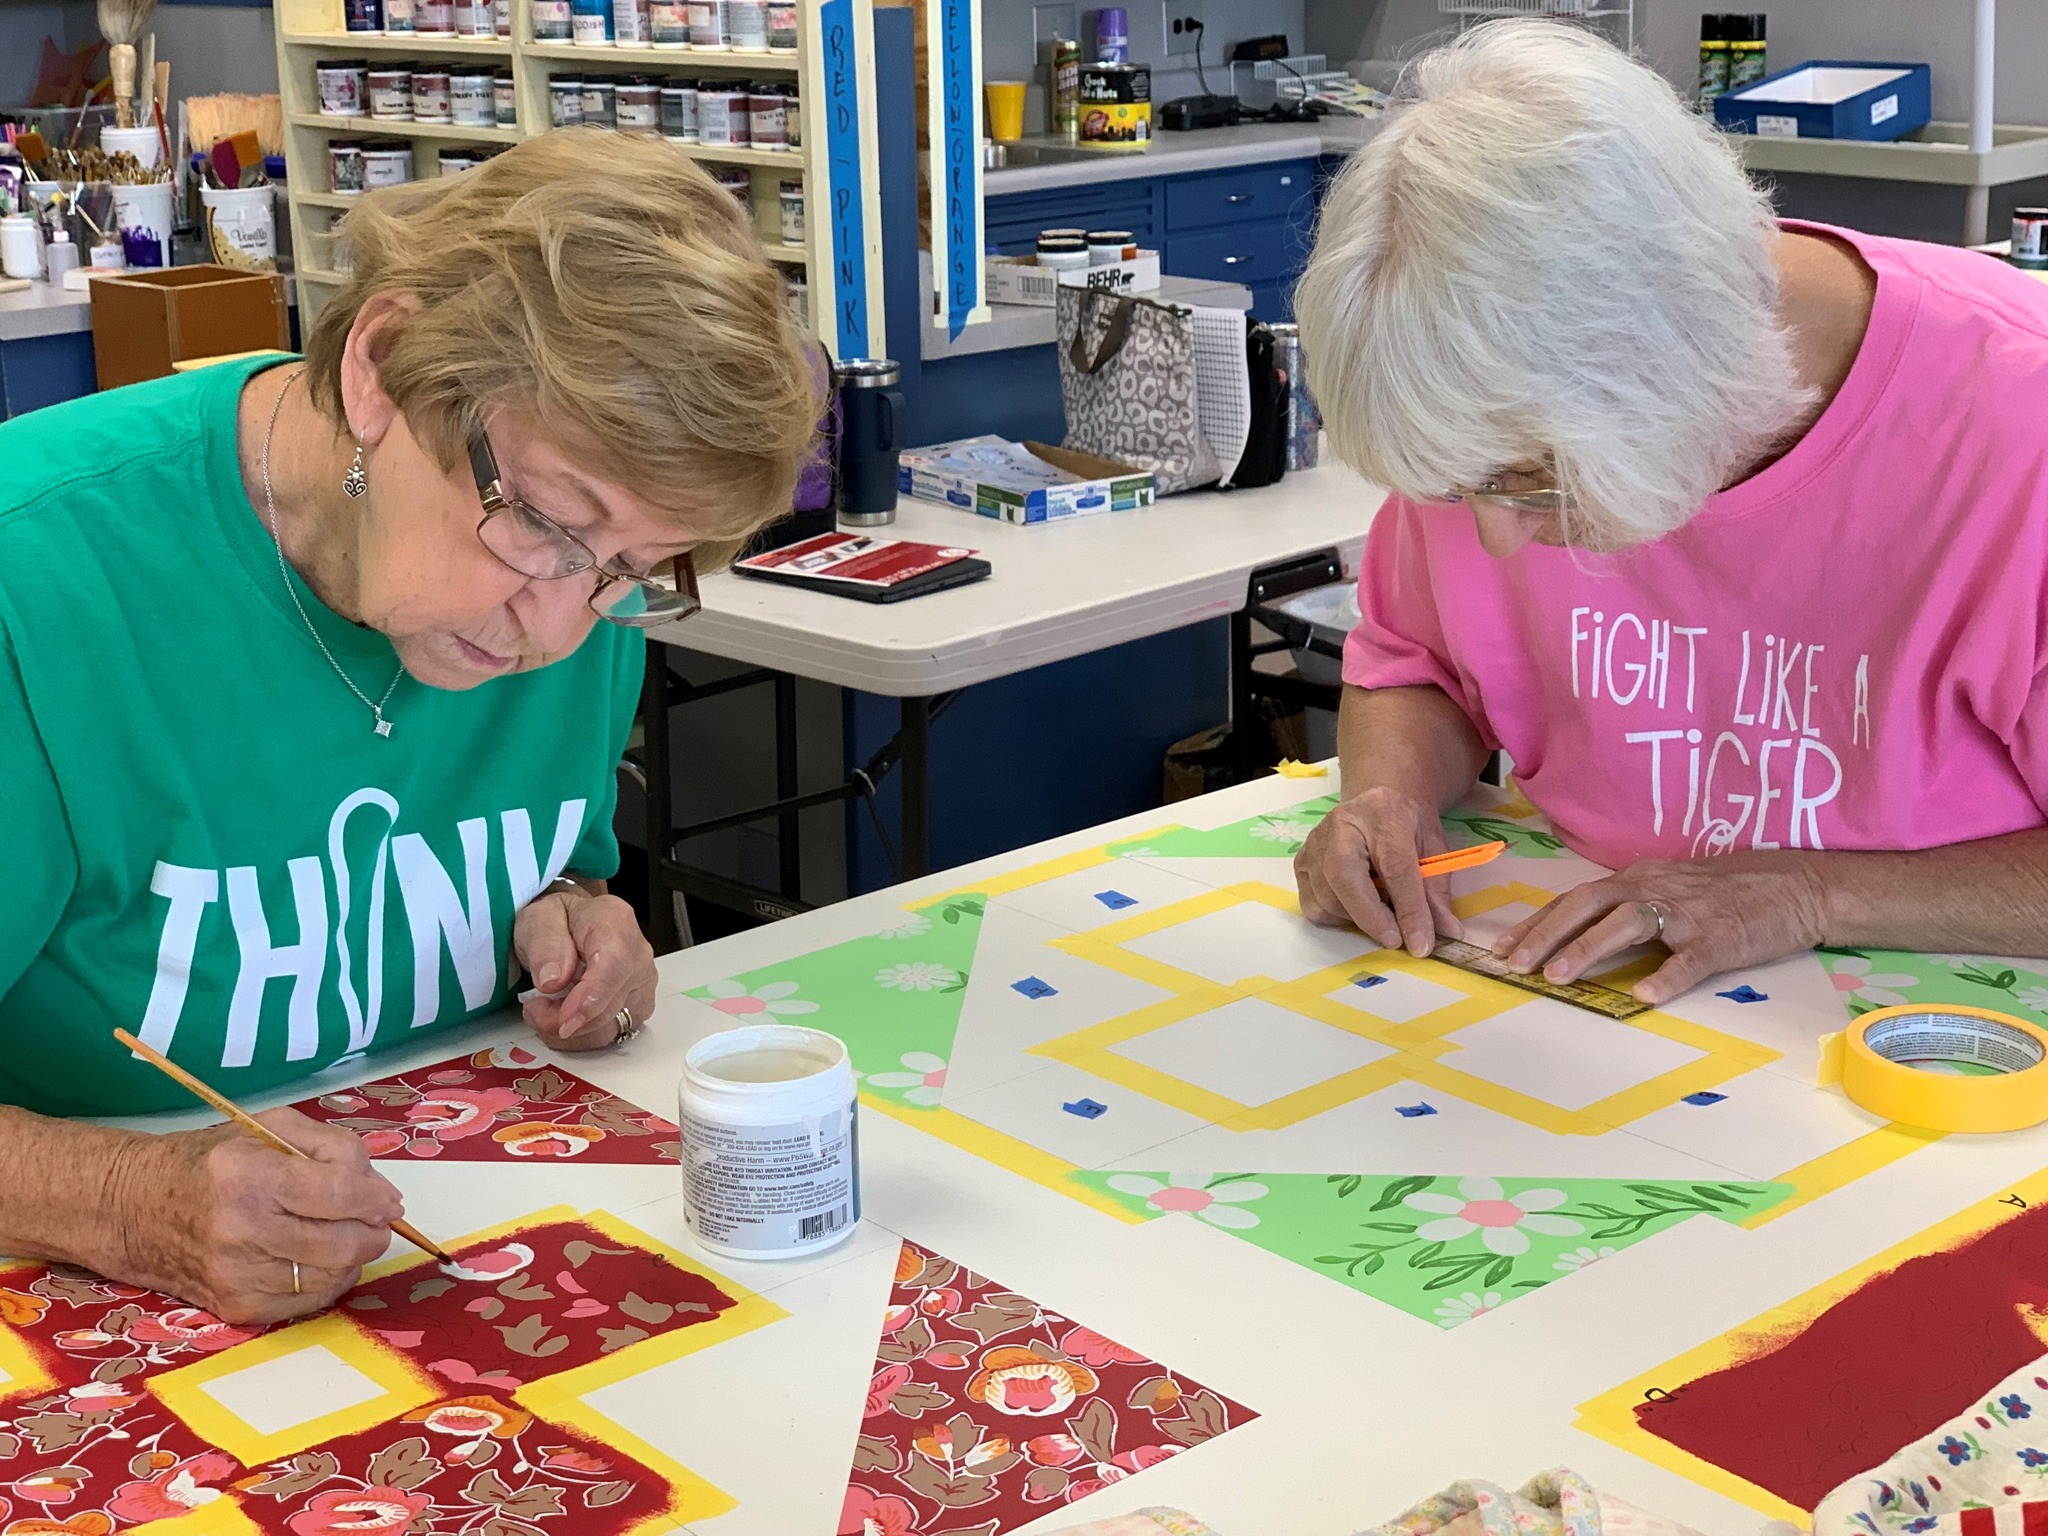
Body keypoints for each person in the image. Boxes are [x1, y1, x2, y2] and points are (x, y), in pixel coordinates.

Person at [0, 129, 819, 1322]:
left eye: (634, 570)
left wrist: (580, 922)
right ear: (380, 366)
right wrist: (124, 1199)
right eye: (546, 522)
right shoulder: (40, 578)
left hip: (449, 1264)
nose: (555, 631)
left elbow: (539, 870)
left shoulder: (569, 597)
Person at [1291, 22, 2048, 1007]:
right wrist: (1385, 798)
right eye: (1454, 490)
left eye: (1531, 485)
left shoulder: (2010, 420)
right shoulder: (1488, 401)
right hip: (1613, 985)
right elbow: (1417, 662)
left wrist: (1809, 895)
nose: (1487, 538)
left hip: (1948, 1021)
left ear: (1668, 372)